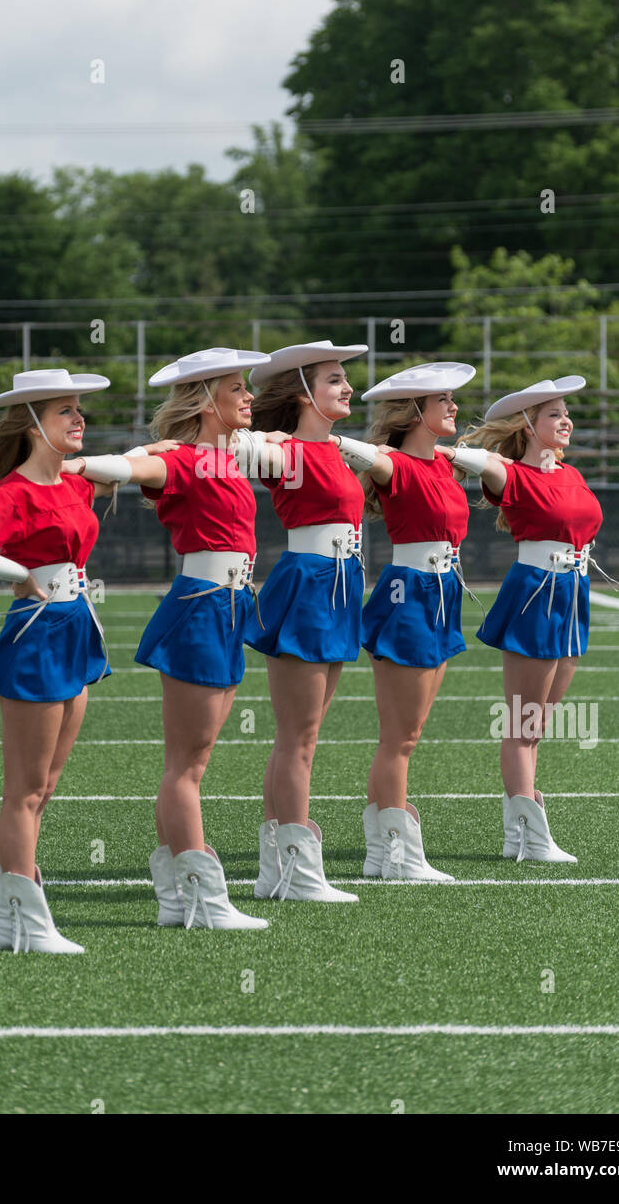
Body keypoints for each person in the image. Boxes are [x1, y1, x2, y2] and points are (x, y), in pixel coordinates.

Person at [76, 347, 291, 929]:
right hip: (200, 610)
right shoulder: (179, 458)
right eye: (237, 388)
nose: (249, 396)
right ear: (205, 400)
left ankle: (179, 895)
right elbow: (124, 470)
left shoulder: (228, 456)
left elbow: (298, 447)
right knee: (187, 766)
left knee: (194, 761)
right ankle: (200, 896)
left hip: (229, 607)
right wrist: (90, 464)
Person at [0, 368, 112, 954]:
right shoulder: (12, 492)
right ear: (35, 424)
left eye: (78, 409)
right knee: (23, 788)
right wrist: (21, 576)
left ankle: (22, 909)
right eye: (65, 411)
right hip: (38, 634)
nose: (79, 419)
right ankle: (18, 917)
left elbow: (123, 467)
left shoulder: (75, 482)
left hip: (76, 628)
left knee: (45, 785)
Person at [350, 362, 508, 882]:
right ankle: (397, 854)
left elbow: (492, 464)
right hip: (408, 594)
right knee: (401, 736)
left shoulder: (442, 463)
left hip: (442, 594)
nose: (455, 407)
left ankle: (381, 851)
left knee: (406, 733)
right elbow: (354, 452)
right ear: (416, 411)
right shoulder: (392, 463)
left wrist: (449, 450)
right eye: (443, 400)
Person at [456, 377, 617, 862]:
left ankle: (521, 831)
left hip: (572, 592)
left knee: (538, 723)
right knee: (522, 722)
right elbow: (462, 458)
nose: (566, 420)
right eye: (553, 414)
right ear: (527, 426)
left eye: (566, 413)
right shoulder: (509, 474)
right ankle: (526, 833)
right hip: (536, 592)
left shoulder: (570, 473)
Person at [244, 340, 370, 904]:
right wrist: (254, 439)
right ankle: (296, 869)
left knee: (301, 736)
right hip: (308, 584)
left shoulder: (334, 451)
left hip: (340, 586)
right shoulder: (286, 452)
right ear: (304, 394)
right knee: (299, 738)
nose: (348, 388)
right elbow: (216, 451)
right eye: (335, 380)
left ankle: (279, 867)